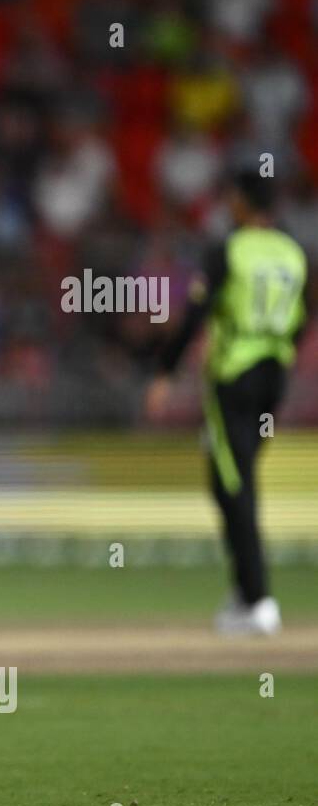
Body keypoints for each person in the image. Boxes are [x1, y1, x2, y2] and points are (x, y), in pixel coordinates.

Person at [147, 168, 313, 636]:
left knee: (235, 483)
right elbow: (301, 319)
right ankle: (245, 593)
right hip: (274, 377)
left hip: (235, 376)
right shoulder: (293, 253)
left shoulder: (231, 250)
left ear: (240, 202)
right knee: (230, 479)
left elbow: (196, 312)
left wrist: (165, 372)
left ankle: (258, 599)